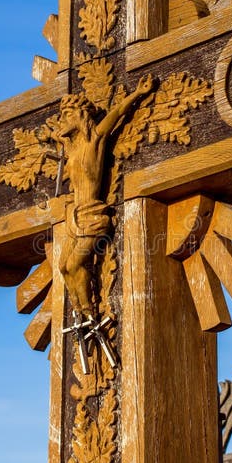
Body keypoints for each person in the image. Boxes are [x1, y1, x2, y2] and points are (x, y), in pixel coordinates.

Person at [54, 74, 154, 317]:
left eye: (67, 114)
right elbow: (60, 139)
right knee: (62, 267)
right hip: (73, 217)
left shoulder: (95, 140)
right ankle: (78, 311)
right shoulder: (73, 150)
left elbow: (118, 111)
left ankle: (88, 311)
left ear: (81, 116)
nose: (62, 120)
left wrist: (138, 93)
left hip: (92, 214)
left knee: (76, 264)